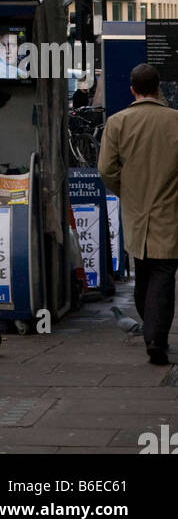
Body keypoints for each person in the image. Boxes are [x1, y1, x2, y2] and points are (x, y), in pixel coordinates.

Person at [98, 63, 178, 365]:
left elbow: (106, 169)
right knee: (164, 275)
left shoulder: (117, 122)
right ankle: (156, 338)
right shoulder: (175, 121)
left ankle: (152, 332)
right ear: (158, 88)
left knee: (143, 272)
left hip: (135, 213)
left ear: (133, 89)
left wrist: (126, 191)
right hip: (170, 213)